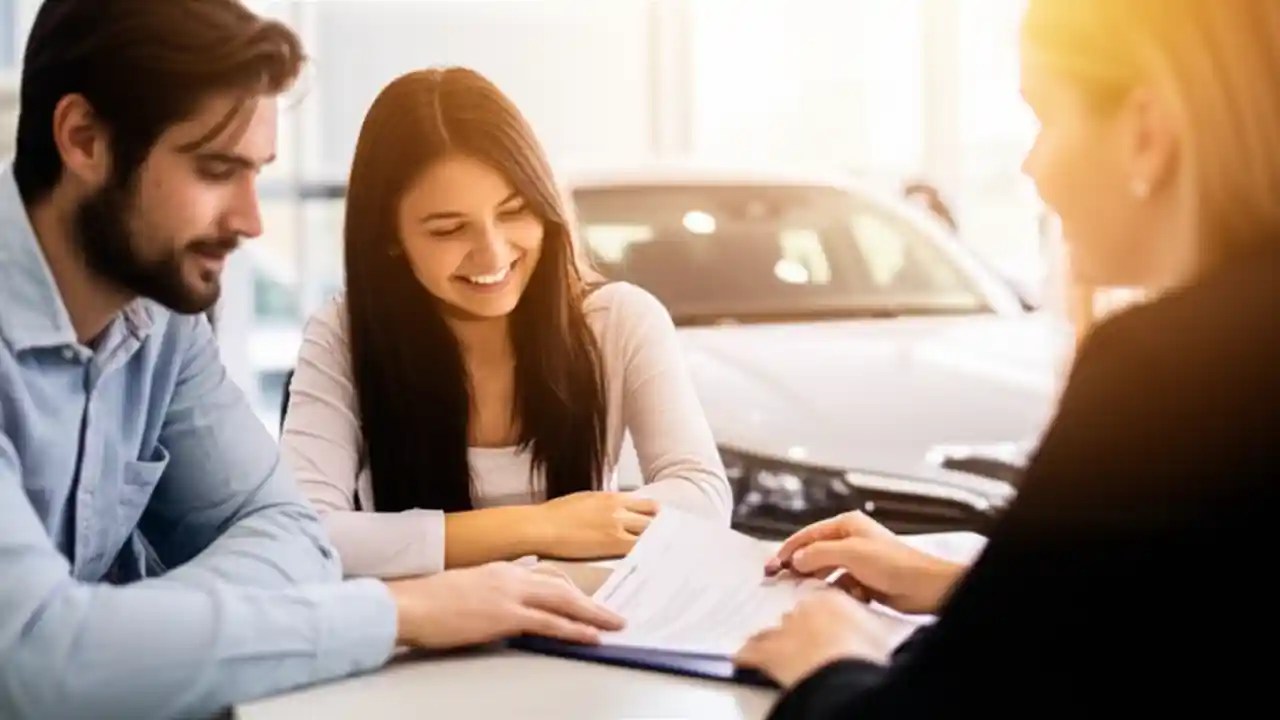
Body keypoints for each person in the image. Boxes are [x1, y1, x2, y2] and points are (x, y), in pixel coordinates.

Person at [0, 3, 621, 718]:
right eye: (215, 169)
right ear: (83, 139)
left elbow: (291, 532)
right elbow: (34, 665)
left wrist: (113, 641)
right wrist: (395, 613)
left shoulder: (161, 317)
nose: (250, 222)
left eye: (257, 173)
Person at [734, 1, 1280, 716]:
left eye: (1045, 118)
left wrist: (832, 660)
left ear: (1147, 131)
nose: (1031, 166)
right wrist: (962, 585)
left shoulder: (1173, 369)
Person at [279, 67, 731, 579]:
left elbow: (701, 494)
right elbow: (304, 534)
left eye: (515, 212)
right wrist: (542, 527)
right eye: (449, 229)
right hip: (423, 638)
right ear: (390, 237)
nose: (492, 253)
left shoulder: (619, 319)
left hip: (582, 626)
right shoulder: (345, 334)